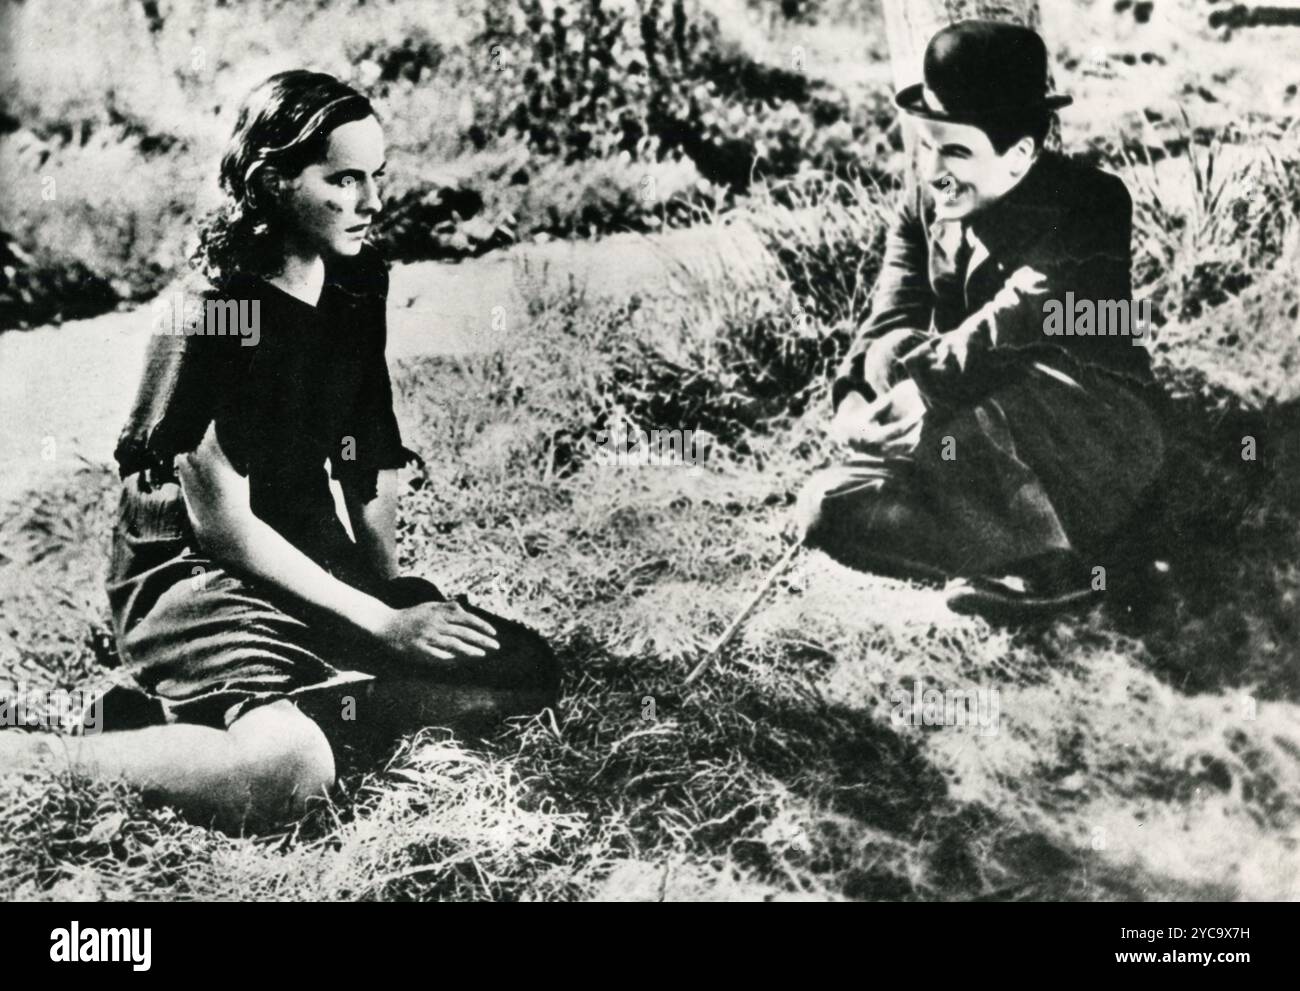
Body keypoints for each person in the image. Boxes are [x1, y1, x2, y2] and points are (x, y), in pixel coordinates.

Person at [0, 71, 559, 831]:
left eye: (377, 178)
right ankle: (39, 756)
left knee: (521, 674)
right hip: (196, 573)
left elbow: (367, 447)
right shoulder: (216, 311)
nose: (371, 202)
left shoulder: (357, 279)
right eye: (344, 180)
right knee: (295, 772)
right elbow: (222, 524)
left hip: (303, 546)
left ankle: (193, 714)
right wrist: (383, 626)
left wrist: (389, 587)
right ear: (271, 181)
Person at [796, 20, 1165, 618]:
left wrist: (924, 390)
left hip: (1086, 431)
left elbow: (1020, 315)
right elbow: (888, 315)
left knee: (969, 405)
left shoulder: (1090, 203)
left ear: (1019, 154)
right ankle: (1009, 554)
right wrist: (855, 404)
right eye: (926, 145)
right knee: (826, 507)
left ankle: (1060, 564)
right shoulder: (924, 202)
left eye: (956, 151)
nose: (935, 170)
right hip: (968, 429)